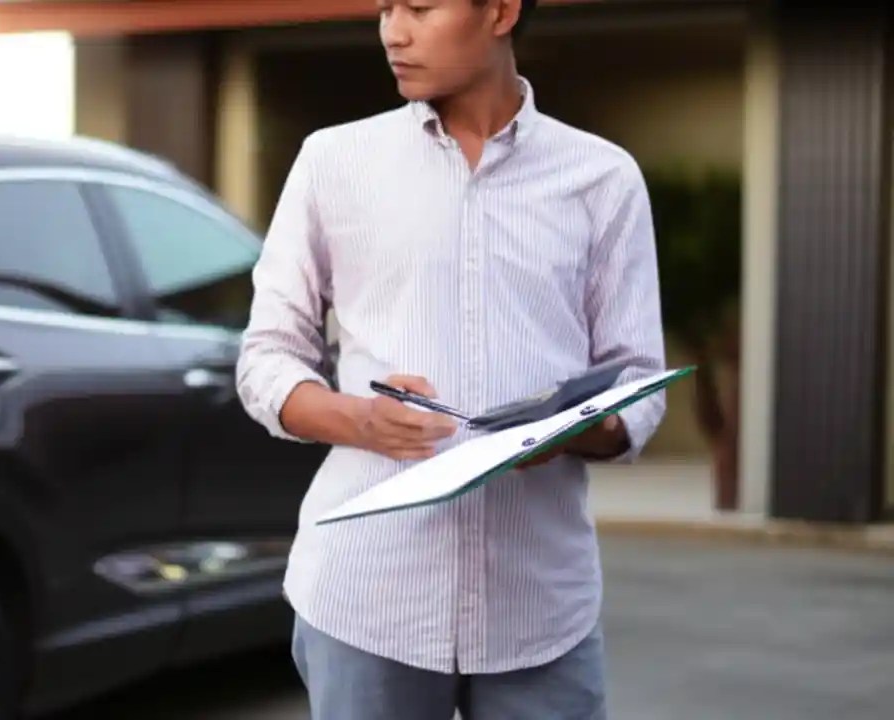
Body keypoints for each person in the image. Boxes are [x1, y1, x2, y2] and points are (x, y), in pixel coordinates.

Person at [234, 0, 667, 717]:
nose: (392, 32)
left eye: (421, 7)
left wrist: (570, 429)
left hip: (540, 610)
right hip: (369, 603)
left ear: (500, 11)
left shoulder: (602, 179)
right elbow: (265, 358)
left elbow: (638, 380)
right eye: (384, 8)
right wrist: (360, 419)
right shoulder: (333, 162)